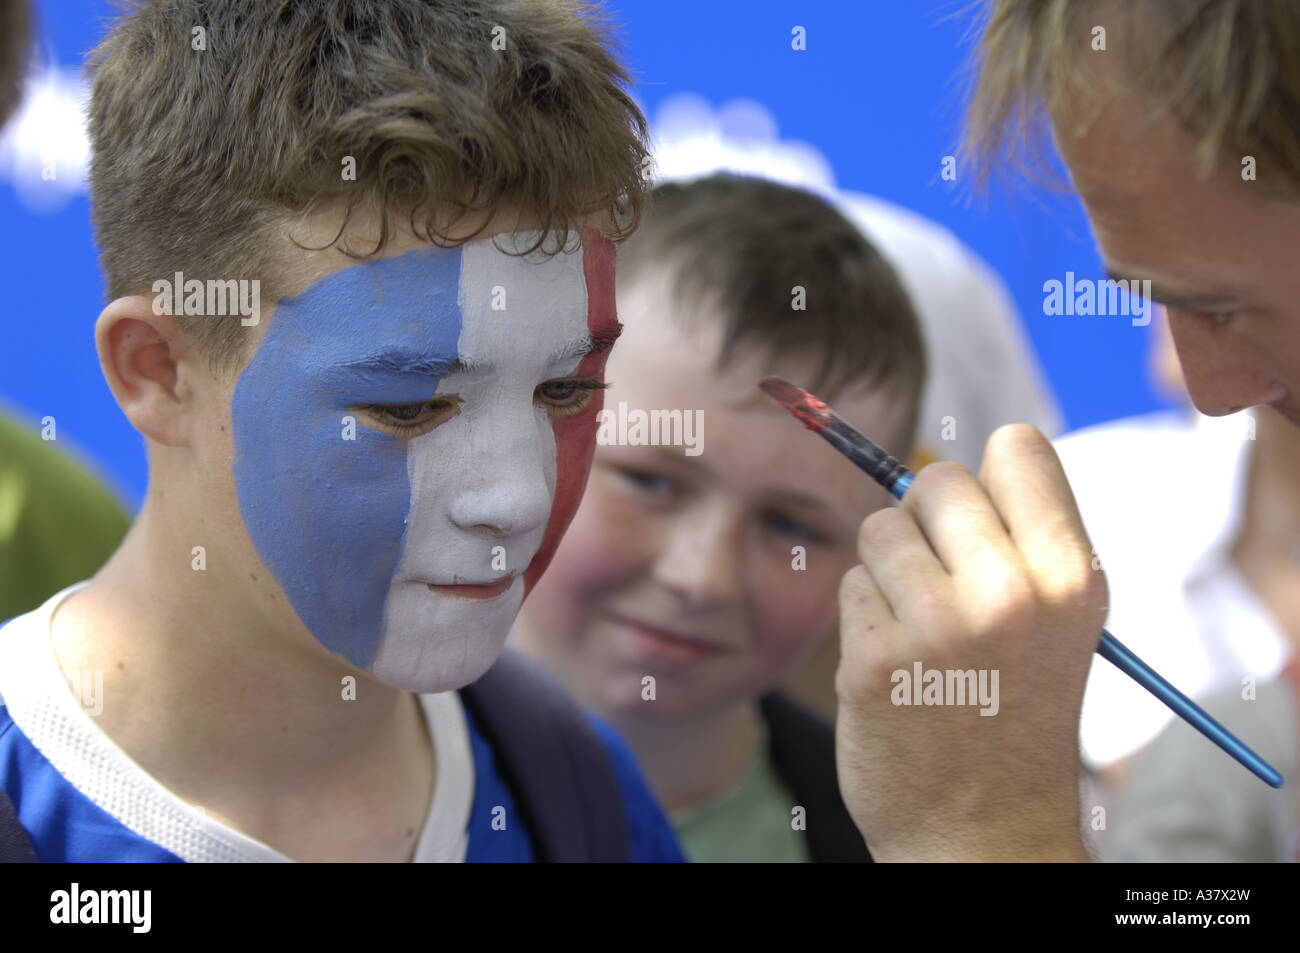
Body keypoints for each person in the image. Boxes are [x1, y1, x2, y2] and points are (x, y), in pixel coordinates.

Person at [0, 0, 683, 863]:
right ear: (158, 370)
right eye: (406, 407)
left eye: (565, 389)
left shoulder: (577, 790)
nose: (516, 497)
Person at [833, 0, 1300, 862]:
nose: (1206, 388)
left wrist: (985, 833)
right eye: (1154, 299)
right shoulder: (1082, 517)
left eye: (1225, 308)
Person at [513, 173, 926, 862]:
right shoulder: (328, 761)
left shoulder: (891, 843)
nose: (701, 577)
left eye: (792, 527)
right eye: (649, 481)